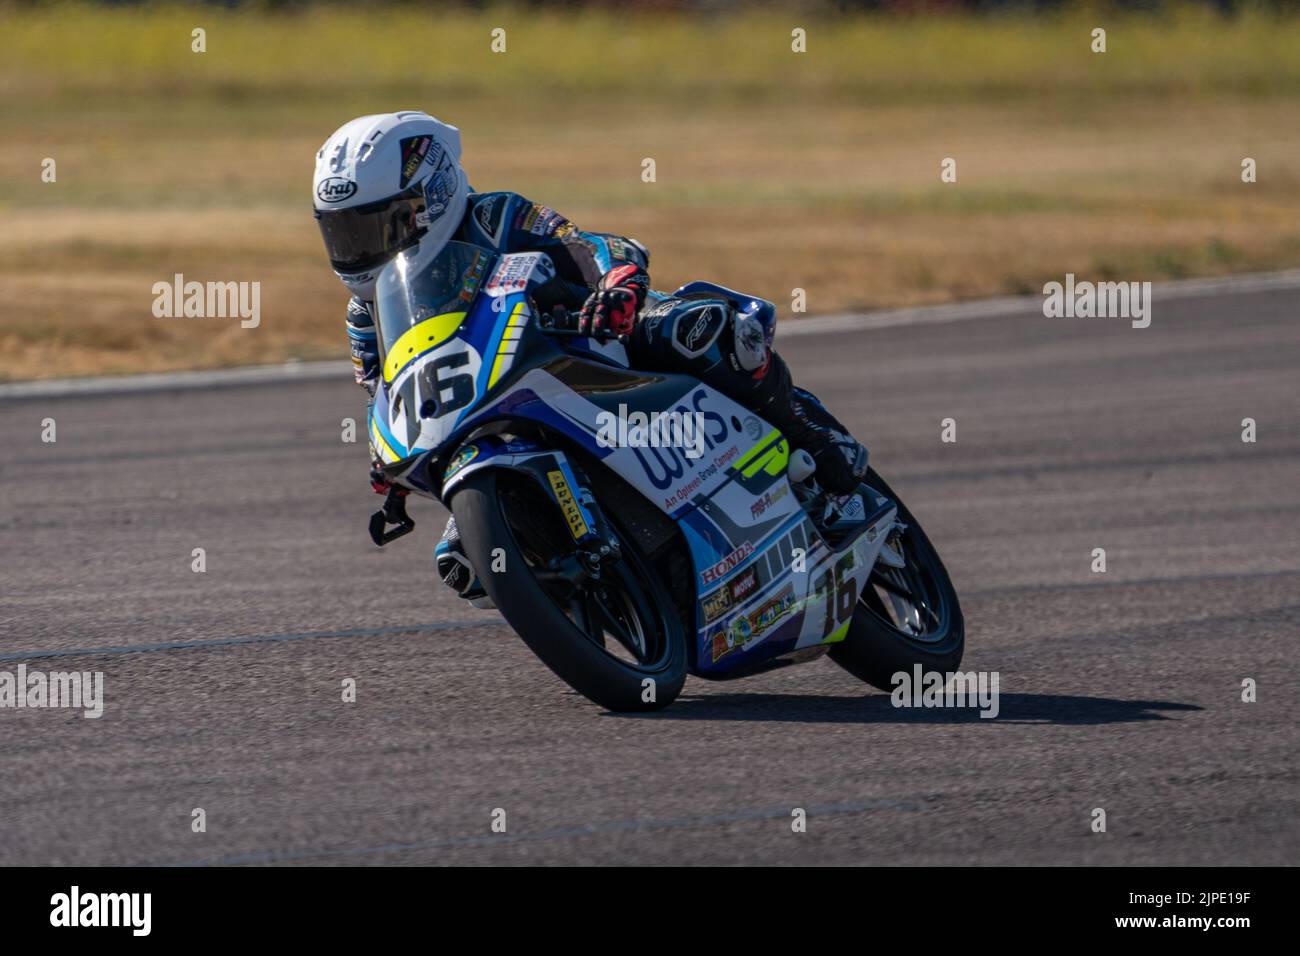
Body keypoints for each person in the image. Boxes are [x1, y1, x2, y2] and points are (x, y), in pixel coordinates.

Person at [312, 112, 868, 602]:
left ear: (430, 196)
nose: (360, 249)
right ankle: (610, 600)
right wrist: (388, 469)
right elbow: (386, 396)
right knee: (464, 565)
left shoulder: (495, 217)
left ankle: (817, 444)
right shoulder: (369, 318)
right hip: (497, 421)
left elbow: (589, 245)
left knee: (700, 330)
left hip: (591, 349)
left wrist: (618, 282)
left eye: (376, 226)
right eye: (344, 232)